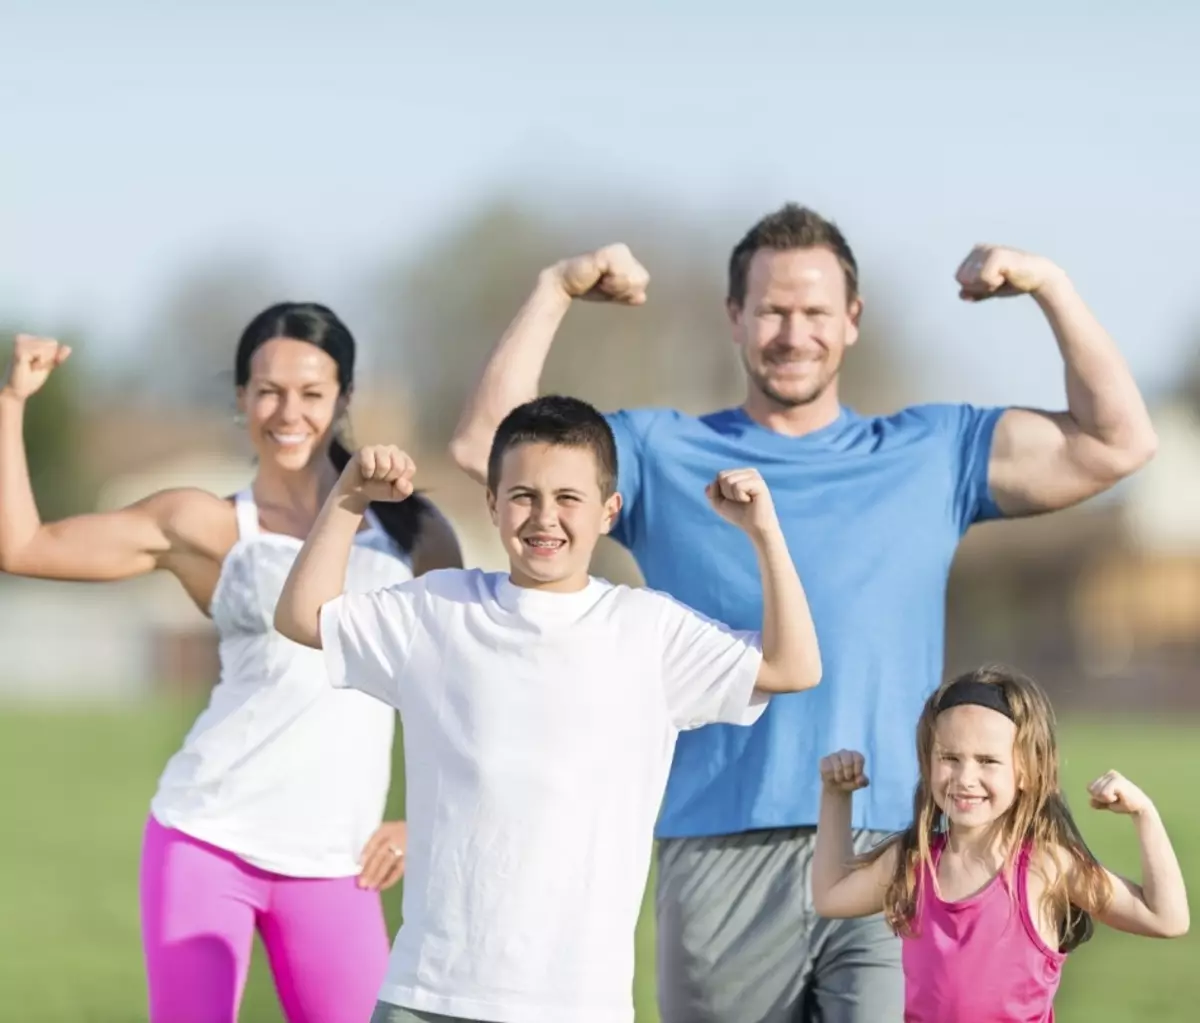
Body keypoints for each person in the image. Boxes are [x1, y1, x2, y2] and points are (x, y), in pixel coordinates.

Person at [447, 203, 1160, 1021]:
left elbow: (1118, 443)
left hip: (900, 845)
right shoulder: (655, 452)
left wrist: (1050, 286)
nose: (794, 332)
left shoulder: (931, 451)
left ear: (851, 320)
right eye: (773, 309)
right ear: (735, 318)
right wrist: (554, 287)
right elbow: (486, 449)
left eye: (816, 310)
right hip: (718, 843)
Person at [272, 395, 822, 1023]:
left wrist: (764, 532)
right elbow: (301, 617)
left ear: (609, 511)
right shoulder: (438, 610)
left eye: (568, 498)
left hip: (578, 1002)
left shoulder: (648, 631)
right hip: (430, 992)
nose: (544, 517)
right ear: (493, 503)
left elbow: (793, 666)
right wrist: (348, 498)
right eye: (524, 495)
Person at [0, 303, 464, 1023]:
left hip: (338, 858)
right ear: (242, 397)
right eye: (268, 389)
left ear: (343, 399)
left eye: (311, 392)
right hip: (206, 834)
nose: (288, 410)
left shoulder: (416, 533)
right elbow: (23, 545)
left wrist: (422, 822)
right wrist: (11, 401)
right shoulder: (205, 524)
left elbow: (459, 692)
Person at [812, 665, 1189, 1022]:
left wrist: (1144, 814)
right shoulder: (913, 862)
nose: (965, 777)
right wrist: (835, 796)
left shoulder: (1046, 867)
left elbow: (1166, 919)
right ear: (928, 764)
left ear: (1026, 770)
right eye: (950, 758)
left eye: (987, 760)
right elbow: (830, 896)